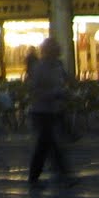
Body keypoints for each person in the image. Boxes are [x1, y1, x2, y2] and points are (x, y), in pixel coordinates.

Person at [27, 36, 77, 187]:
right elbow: (34, 90)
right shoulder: (39, 67)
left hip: (54, 109)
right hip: (41, 111)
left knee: (50, 144)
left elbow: (65, 80)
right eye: (55, 49)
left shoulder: (57, 66)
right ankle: (52, 174)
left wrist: (65, 91)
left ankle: (57, 173)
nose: (58, 51)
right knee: (47, 144)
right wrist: (55, 94)